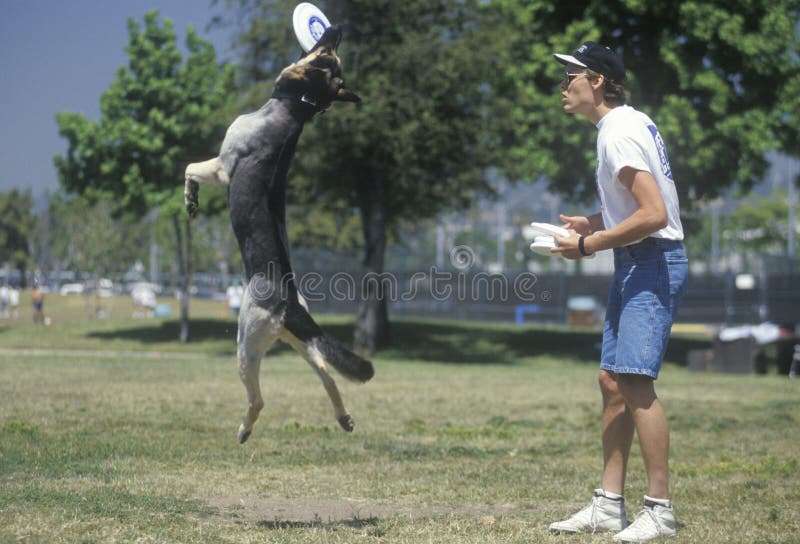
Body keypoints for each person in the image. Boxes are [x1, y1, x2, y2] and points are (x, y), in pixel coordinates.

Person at [547, 41, 688, 543]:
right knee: (612, 381)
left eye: (571, 76)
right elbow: (639, 206)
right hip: (637, 260)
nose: (564, 86)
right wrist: (595, 221)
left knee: (635, 383)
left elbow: (654, 215)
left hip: (651, 261)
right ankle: (609, 505)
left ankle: (659, 510)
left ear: (598, 81)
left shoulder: (618, 134)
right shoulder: (625, 124)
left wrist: (587, 244)